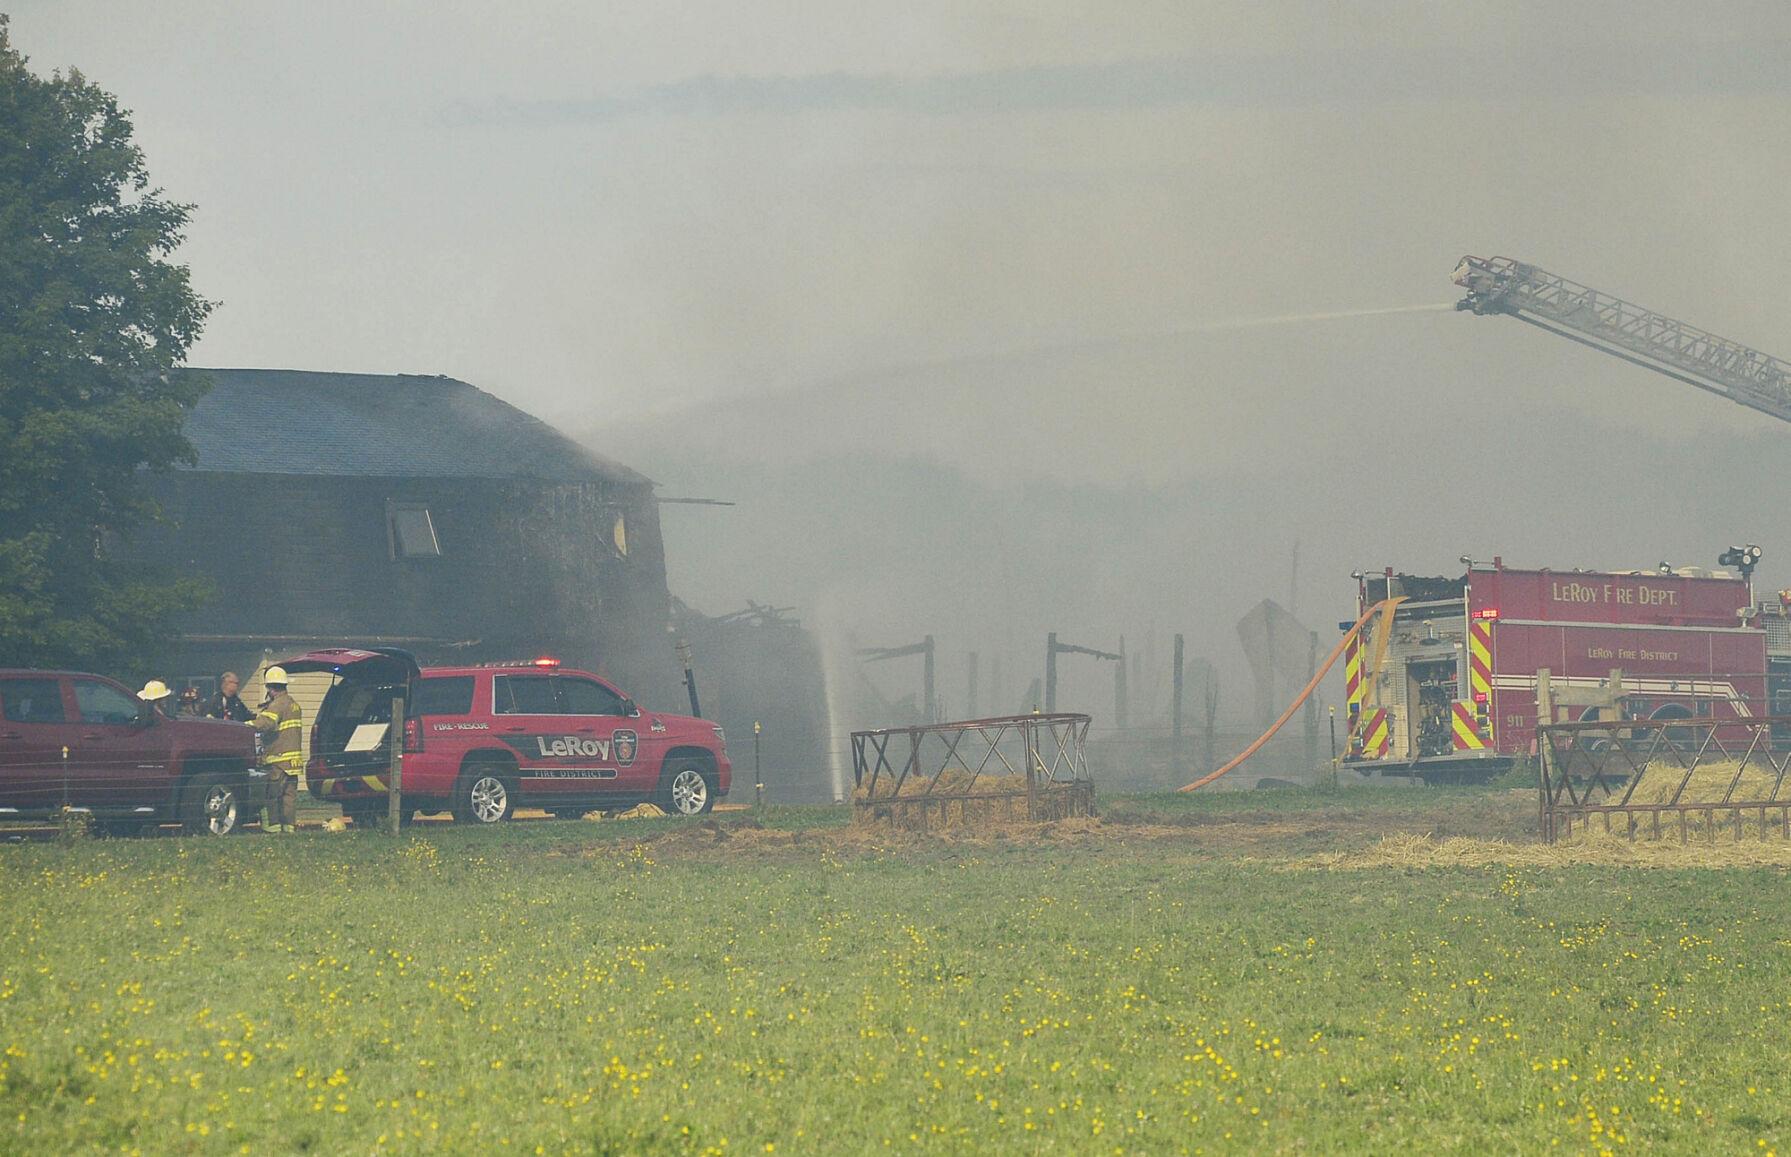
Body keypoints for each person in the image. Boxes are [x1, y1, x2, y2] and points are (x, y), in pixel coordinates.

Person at [248, 666, 303, 833]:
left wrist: (244, 725)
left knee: (272, 796)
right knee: (289, 797)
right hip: (293, 762)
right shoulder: (294, 705)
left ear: (271, 688)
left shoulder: (277, 705)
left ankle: (273, 829)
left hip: (278, 760)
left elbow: (266, 724)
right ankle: (289, 828)